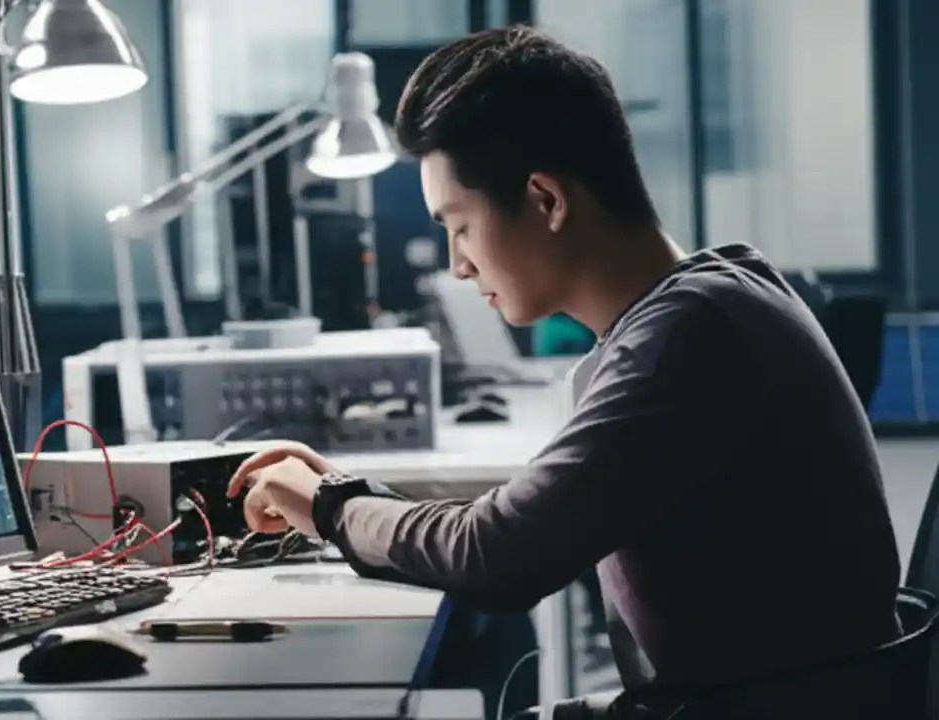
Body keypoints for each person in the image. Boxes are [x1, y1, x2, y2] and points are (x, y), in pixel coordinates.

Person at [226, 25, 903, 719]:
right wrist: (349, 499)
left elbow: (498, 555)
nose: (458, 264)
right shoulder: (707, 300)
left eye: (459, 226)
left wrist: (333, 508)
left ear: (547, 200)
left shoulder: (690, 336)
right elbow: (516, 527)